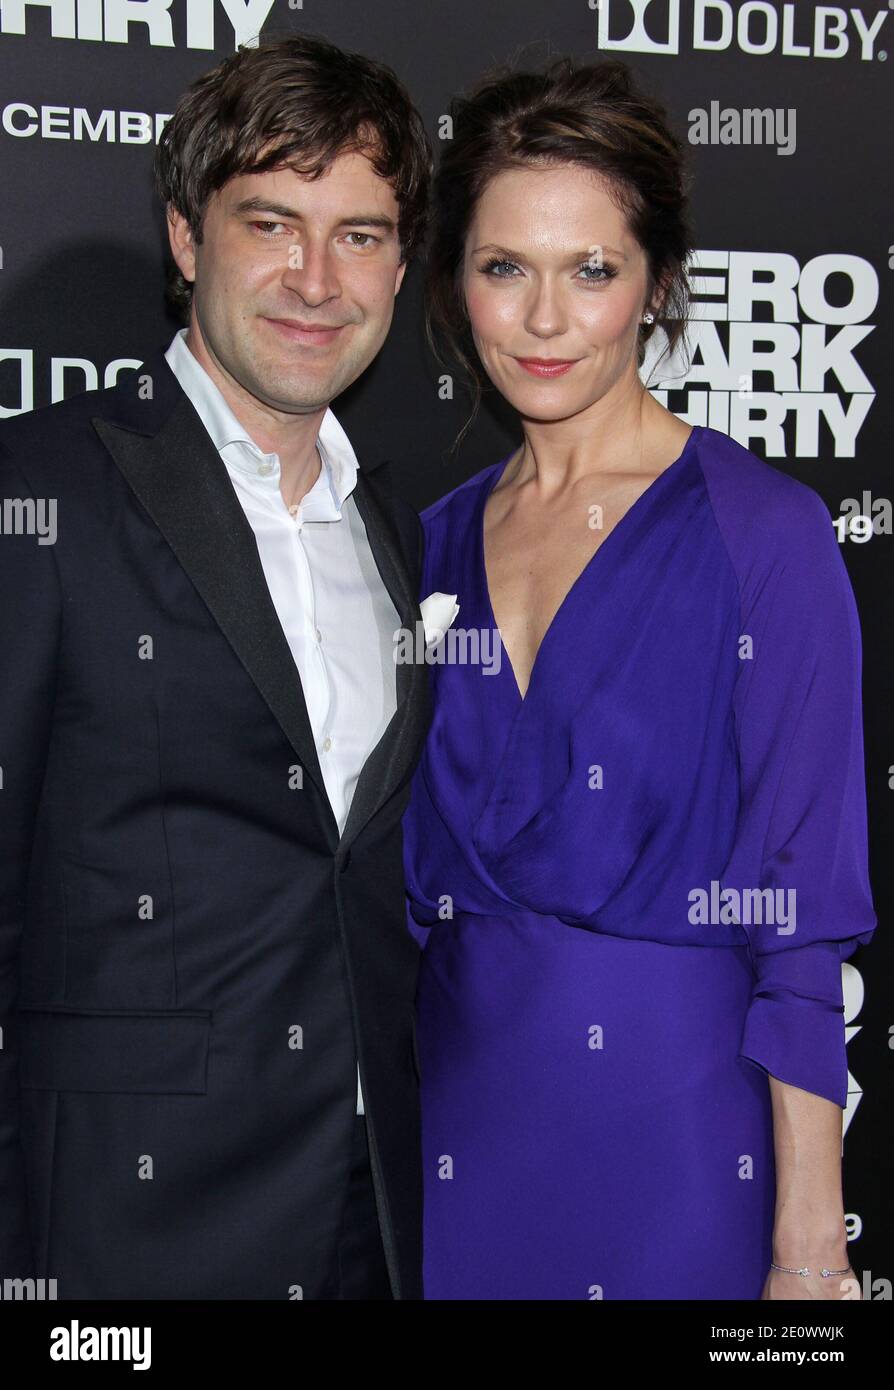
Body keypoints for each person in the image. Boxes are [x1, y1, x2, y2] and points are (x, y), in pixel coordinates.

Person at [402, 57, 877, 1300]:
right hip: (448, 1145)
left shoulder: (762, 535)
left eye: (591, 270)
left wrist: (809, 1249)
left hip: (677, 1154)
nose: (545, 319)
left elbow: (801, 913)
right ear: (456, 283)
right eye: (505, 267)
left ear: (658, 283)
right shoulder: (426, 544)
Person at [0, 32, 432, 1299]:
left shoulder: (400, 531)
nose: (315, 278)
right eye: (270, 223)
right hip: (122, 1239)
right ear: (189, 239)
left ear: (402, 266)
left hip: (373, 1223)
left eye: (358, 233)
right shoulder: (42, 489)